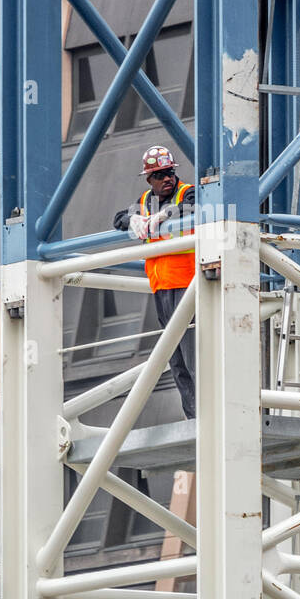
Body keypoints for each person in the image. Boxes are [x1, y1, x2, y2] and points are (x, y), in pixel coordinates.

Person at [113, 146, 196, 419]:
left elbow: (193, 206)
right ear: (149, 179)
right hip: (161, 288)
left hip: (188, 285)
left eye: (170, 172)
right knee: (176, 359)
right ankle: (193, 416)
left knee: (193, 355)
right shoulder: (146, 199)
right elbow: (118, 219)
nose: (167, 178)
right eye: (159, 175)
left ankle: (208, 415)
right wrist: (133, 219)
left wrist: (165, 216)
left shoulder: (188, 193)